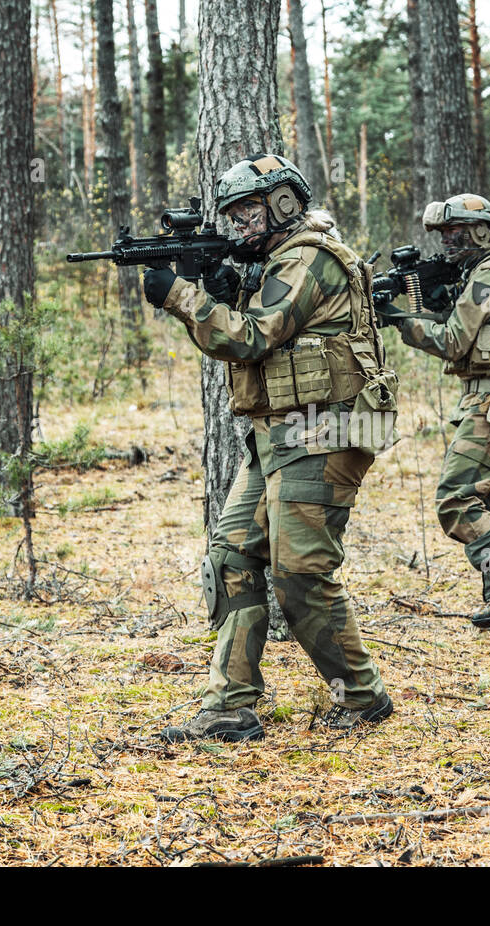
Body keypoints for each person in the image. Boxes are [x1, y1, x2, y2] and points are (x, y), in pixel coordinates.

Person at [141, 154, 394, 742]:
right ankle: (230, 705)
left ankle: (361, 695)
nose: (238, 228)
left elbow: (249, 336)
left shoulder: (308, 257)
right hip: (282, 434)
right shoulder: (279, 260)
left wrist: (181, 296)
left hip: (325, 430)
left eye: (249, 213)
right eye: (231, 217)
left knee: (301, 571)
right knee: (231, 557)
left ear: (284, 204)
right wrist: (225, 290)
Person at [378, 194, 490, 630]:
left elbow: (454, 340)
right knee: (486, 503)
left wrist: (401, 319)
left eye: (455, 231)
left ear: (481, 230)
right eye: (441, 234)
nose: (447, 242)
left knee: (456, 500)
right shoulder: (483, 271)